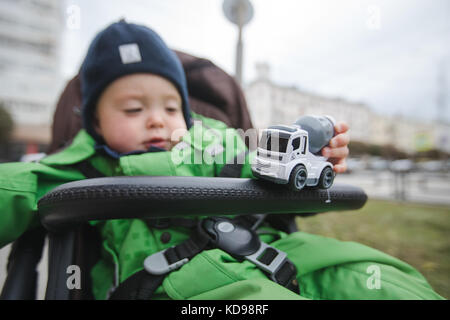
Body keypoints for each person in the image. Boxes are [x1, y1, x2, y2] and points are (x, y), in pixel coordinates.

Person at [0, 21, 443, 300]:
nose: (156, 119)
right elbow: (12, 189)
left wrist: (312, 164)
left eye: (171, 108)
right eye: (133, 110)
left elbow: (277, 179)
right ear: (94, 123)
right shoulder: (80, 166)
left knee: (376, 278)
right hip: (173, 281)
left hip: (283, 252)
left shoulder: (216, 143)